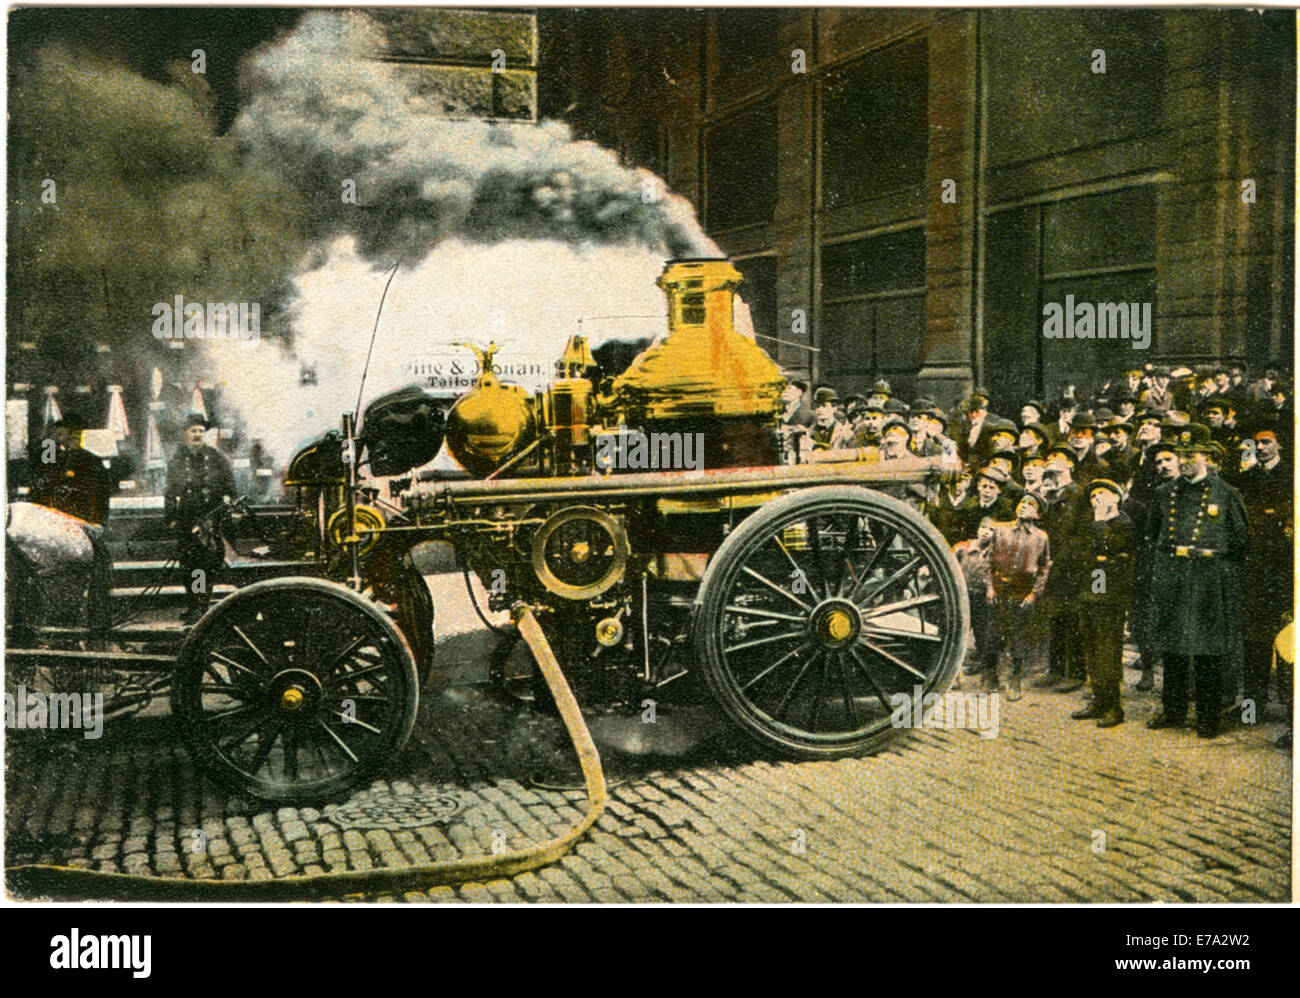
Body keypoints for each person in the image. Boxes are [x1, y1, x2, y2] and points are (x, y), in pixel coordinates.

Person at [1145, 424, 1249, 738]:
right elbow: (1152, 534)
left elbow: (1241, 540)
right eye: (1182, 454)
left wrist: (1218, 568)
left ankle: (1208, 717)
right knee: (1173, 649)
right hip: (1174, 578)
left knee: (1208, 652)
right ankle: (1173, 711)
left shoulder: (1225, 493)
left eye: (1191, 454)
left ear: (1206, 456)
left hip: (1208, 582)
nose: (1186, 460)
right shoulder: (1164, 493)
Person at [1238, 428, 1293, 716]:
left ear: (1279, 444)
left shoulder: (1291, 475)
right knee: (1254, 643)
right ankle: (1251, 708)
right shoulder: (1247, 480)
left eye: (1266, 442)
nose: (1259, 447)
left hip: (1285, 572)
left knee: (1287, 646)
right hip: (1256, 571)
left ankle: (1291, 719)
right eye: (1256, 443)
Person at [1071, 480, 1134, 728]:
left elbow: (1109, 547)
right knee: (1092, 649)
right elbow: (1086, 554)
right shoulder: (1093, 524)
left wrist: (1099, 524)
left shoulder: (1124, 524)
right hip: (1090, 594)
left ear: (1116, 499)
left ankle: (1113, 706)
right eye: (1093, 495)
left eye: (1103, 494)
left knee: (1108, 651)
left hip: (1109, 598)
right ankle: (1098, 699)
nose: (1096, 499)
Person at [165, 413, 235, 623]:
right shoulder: (177, 459)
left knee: (204, 566)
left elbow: (230, 487)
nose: (197, 435)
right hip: (186, 520)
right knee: (189, 565)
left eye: (200, 431)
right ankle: (192, 605)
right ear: (185, 433)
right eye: (193, 431)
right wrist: (170, 517)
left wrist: (225, 508)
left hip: (210, 521)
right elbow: (169, 491)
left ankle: (201, 607)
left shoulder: (216, 457)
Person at [985, 492, 1051, 700]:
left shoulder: (1041, 538)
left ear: (1038, 514)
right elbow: (988, 562)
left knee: (1018, 636)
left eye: (1030, 505)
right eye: (1022, 502)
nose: (1023, 506)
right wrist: (990, 588)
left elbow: (1043, 568)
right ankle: (990, 677)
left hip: (1022, 591)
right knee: (993, 634)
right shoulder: (1001, 530)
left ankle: (1015, 678)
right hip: (999, 588)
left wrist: (1034, 594)